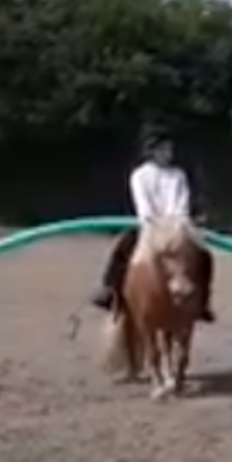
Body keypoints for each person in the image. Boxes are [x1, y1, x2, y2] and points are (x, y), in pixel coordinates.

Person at [91, 128, 216, 322]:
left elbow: (181, 202)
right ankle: (109, 290)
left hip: (176, 225)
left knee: (203, 253)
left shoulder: (178, 175)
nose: (169, 153)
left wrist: (178, 223)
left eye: (170, 148)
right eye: (164, 149)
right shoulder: (140, 175)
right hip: (149, 223)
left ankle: (203, 301)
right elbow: (143, 204)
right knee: (123, 246)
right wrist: (153, 222)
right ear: (152, 151)